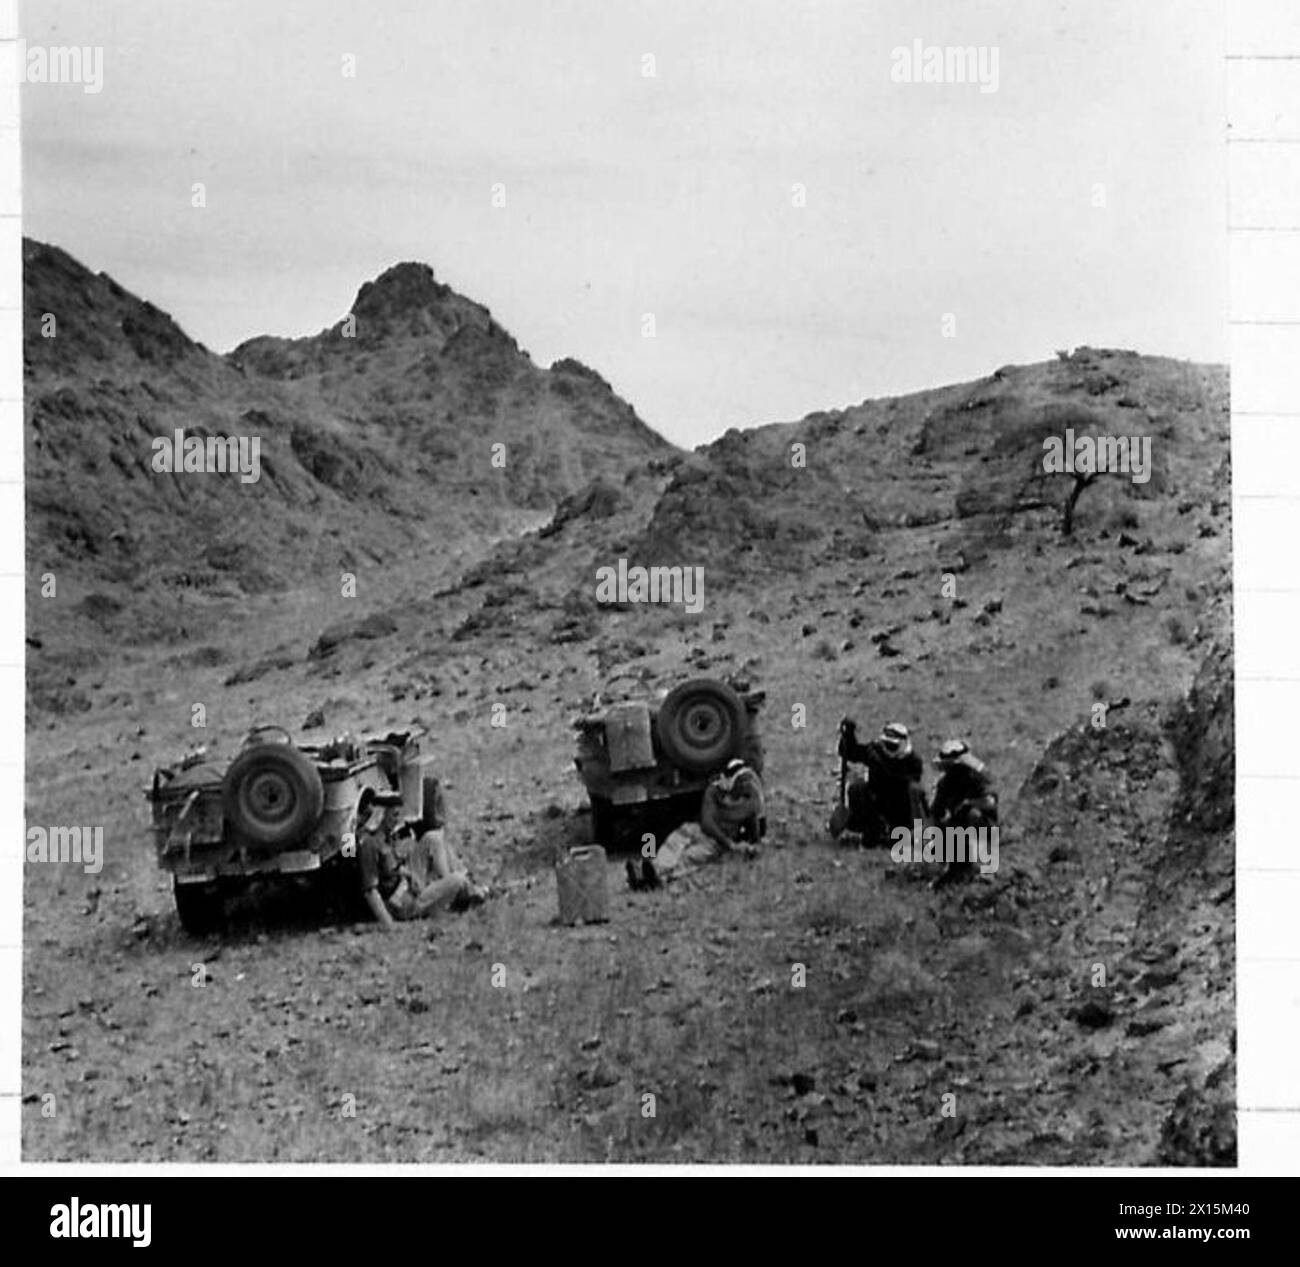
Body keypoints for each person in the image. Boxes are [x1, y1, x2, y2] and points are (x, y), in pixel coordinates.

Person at [357, 789, 486, 929]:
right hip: (404, 902)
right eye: (394, 815)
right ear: (381, 815)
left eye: (398, 815)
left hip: (408, 883)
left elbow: (391, 866)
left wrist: (405, 872)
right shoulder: (369, 844)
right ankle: (462, 891)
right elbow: (370, 890)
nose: (397, 820)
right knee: (457, 880)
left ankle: (455, 889)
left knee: (434, 838)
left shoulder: (385, 836)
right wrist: (389, 925)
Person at [627, 759, 765, 889]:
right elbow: (707, 822)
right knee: (673, 845)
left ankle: (656, 878)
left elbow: (755, 837)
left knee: (689, 857)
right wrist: (730, 844)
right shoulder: (714, 790)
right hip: (699, 830)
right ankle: (649, 871)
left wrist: (747, 848)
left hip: (716, 843)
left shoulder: (750, 802)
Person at [838, 720, 926, 844]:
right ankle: (871, 829)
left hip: (901, 806)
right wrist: (849, 735)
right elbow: (850, 753)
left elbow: (901, 780)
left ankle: (904, 833)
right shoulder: (875, 751)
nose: (888, 747)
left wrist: (880, 765)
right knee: (857, 788)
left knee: (914, 790)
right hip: (875, 801)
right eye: (886, 743)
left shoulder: (913, 761)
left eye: (892, 745)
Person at [930, 739, 998, 889]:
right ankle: (955, 867)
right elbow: (936, 812)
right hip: (956, 830)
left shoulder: (976, 779)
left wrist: (968, 804)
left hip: (981, 828)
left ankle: (985, 868)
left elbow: (990, 802)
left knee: (974, 816)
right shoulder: (944, 783)